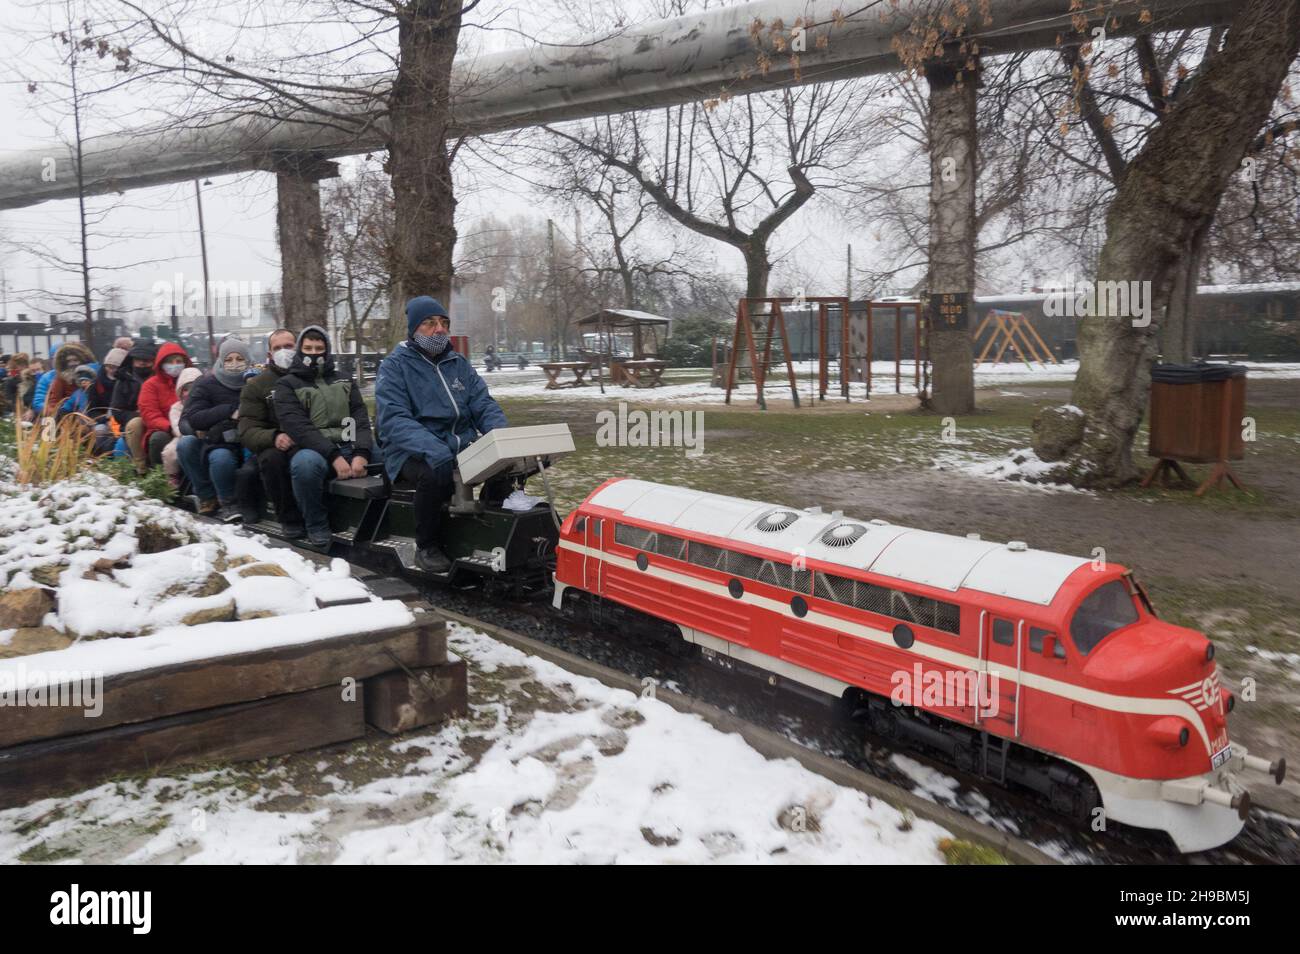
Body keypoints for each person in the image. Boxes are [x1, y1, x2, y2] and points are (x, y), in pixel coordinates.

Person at [375, 296, 508, 573]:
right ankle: (427, 545)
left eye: (444, 323)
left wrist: (501, 438)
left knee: (507, 466)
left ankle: (486, 527)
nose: (439, 329)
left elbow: (483, 403)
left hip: (458, 445)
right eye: (430, 323)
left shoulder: (457, 363)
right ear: (414, 329)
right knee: (435, 471)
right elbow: (394, 419)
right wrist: (432, 447)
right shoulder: (395, 366)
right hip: (408, 452)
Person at [273, 326, 372, 550]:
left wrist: (362, 452)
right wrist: (334, 455)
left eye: (319, 348)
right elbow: (298, 427)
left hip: (350, 444)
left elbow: (360, 418)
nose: (314, 353)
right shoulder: (287, 384)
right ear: (300, 350)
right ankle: (316, 524)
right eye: (308, 348)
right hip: (315, 450)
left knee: (390, 457)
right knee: (305, 466)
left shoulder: (344, 380)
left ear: (327, 351)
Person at [238, 328, 304, 536]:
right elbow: (248, 428)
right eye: (277, 348)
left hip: (310, 438)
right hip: (275, 443)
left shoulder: (311, 377)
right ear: (269, 354)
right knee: (272, 460)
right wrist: (274, 437)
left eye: (288, 346)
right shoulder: (257, 386)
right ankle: (289, 518)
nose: (283, 351)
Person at [179, 337, 252, 518]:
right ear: (220, 360)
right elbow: (193, 417)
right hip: (216, 440)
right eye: (228, 359)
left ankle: (230, 500)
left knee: (223, 457)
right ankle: (209, 497)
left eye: (239, 359)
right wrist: (229, 411)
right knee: (188, 445)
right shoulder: (205, 384)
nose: (234, 364)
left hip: (246, 440)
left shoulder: (253, 381)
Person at [128, 341, 192, 474]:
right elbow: (149, 414)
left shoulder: (193, 381)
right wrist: (171, 427)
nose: (174, 365)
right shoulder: (150, 385)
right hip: (165, 428)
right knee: (158, 439)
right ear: (161, 363)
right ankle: (159, 475)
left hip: (191, 425)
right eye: (170, 362)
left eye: (178, 361)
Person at [111, 341, 158, 460]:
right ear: (132, 360)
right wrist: (138, 415)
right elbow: (117, 411)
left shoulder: (161, 380)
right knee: (120, 451)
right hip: (131, 427)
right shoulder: (123, 380)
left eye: (146, 359)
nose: (142, 362)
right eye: (138, 359)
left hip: (157, 425)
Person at [162, 367, 202, 486]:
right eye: (186, 389)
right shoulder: (176, 408)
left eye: (194, 388)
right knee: (170, 451)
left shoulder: (206, 403)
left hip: (205, 435)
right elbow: (177, 427)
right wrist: (191, 431)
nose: (190, 392)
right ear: (180, 392)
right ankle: (172, 478)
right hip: (183, 436)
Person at [39, 341, 95, 421]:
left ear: (82, 360)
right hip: (68, 416)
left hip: (92, 414)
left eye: (75, 360)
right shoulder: (61, 378)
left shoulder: (93, 375)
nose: (72, 363)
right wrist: (60, 416)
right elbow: (54, 402)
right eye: (69, 361)